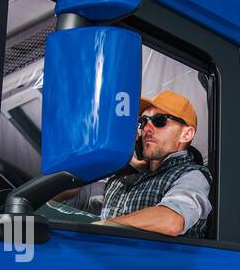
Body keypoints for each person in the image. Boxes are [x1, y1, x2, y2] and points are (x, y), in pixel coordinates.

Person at [89, 90, 213, 238]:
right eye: (143, 121)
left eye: (159, 120)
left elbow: (172, 220)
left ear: (186, 134)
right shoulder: (120, 179)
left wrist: (105, 226)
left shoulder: (192, 175)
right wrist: (111, 153)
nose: (146, 128)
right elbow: (65, 197)